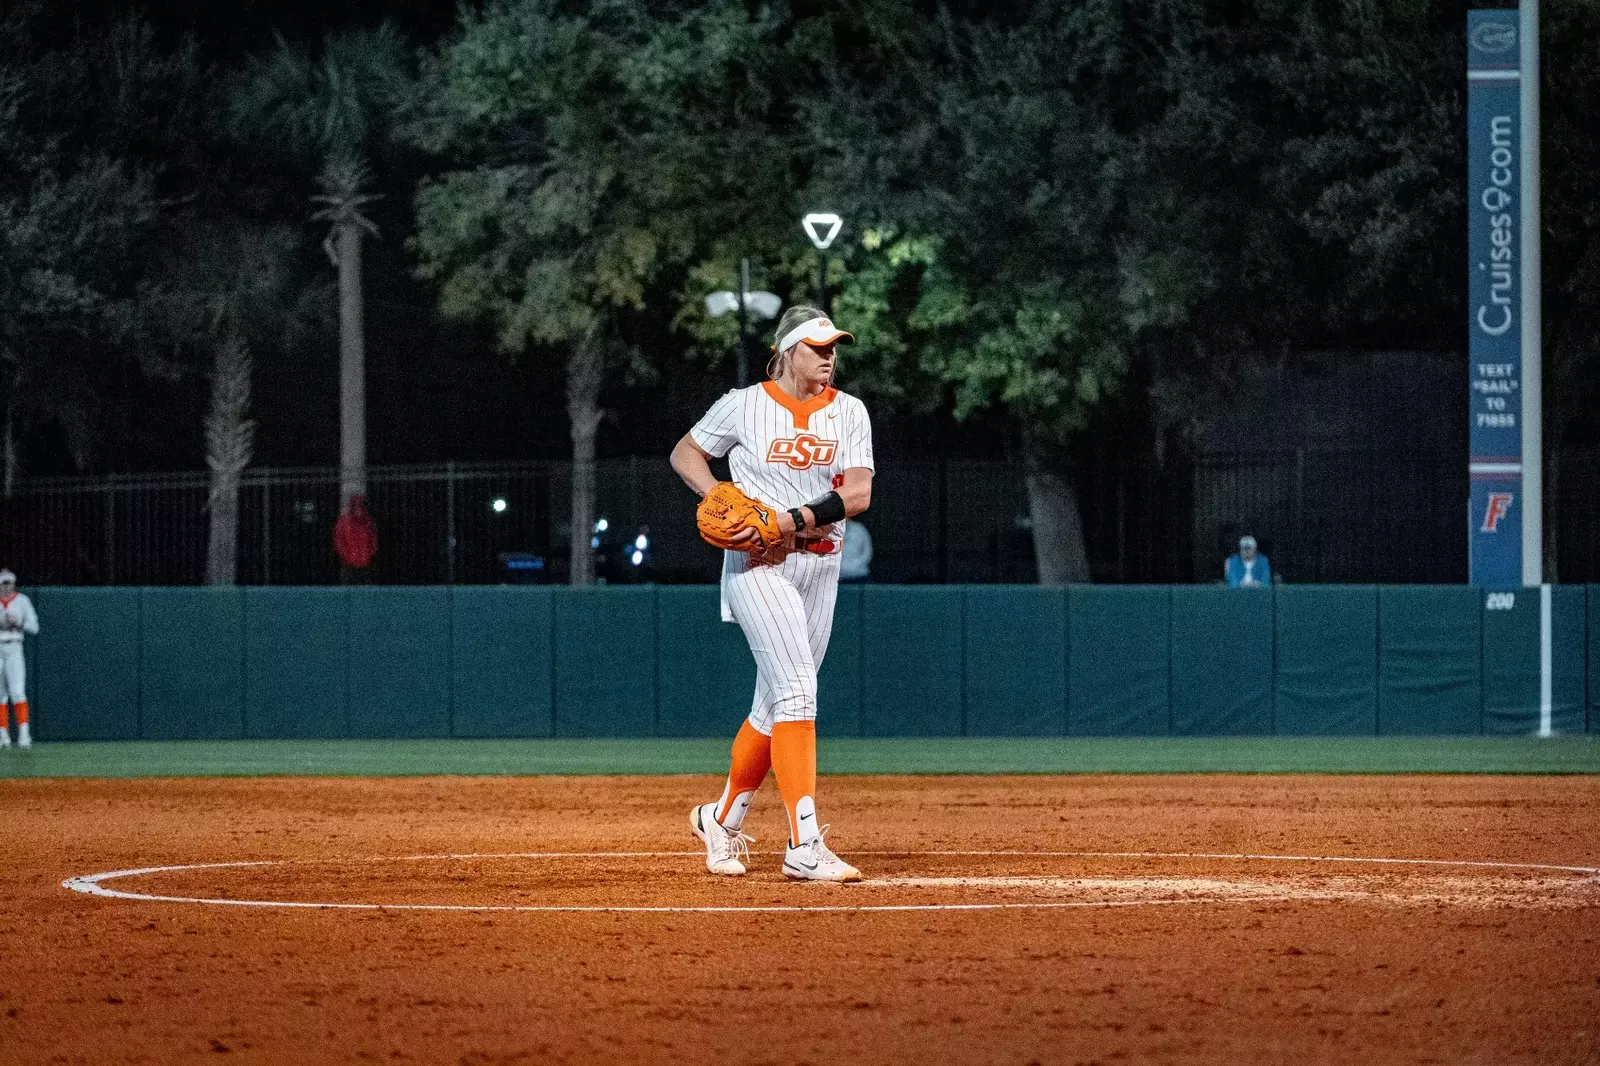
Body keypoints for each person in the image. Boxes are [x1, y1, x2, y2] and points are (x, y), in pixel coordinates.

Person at [669, 304, 874, 882]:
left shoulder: (849, 412)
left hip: (820, 563)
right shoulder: (744, 404)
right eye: (818, 347)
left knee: (774, 704)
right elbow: (685, 453)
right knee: (798, 693)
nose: (830, 356)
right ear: (787, 351)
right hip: (758, 564)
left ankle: (722, 819)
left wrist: (787, 519)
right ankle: (804, 844)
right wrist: (715, 497)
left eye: (834, 347)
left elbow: (856, 495)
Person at [0, 569, 40, 748]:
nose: (6, 586)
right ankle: (3, 735)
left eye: (9, 583)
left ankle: (24, 735)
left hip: (14, 646)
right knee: (0, 695)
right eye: (3, 583)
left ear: (14, 584)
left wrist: (20, 622)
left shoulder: (22, 601)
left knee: (17, 691)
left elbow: (34, 627)